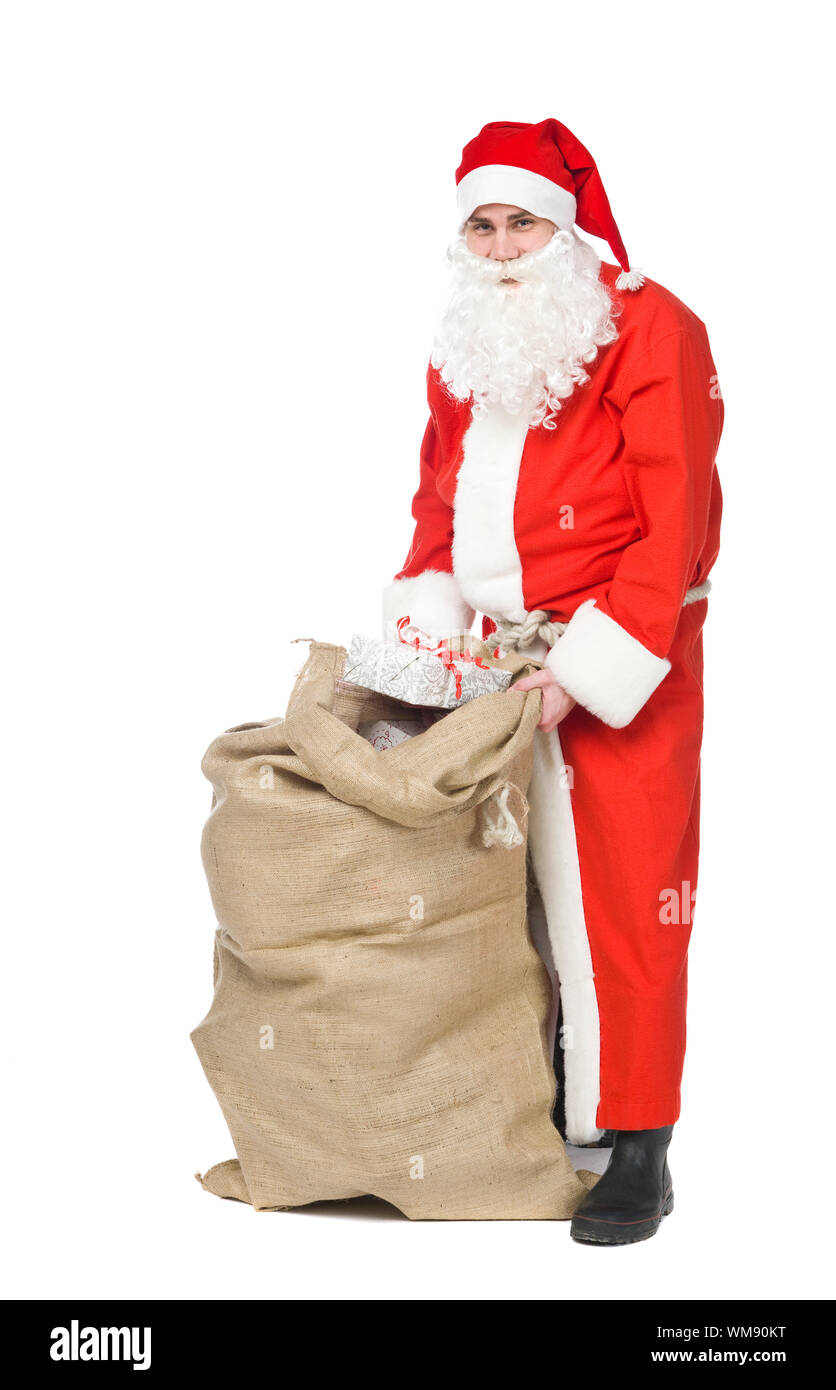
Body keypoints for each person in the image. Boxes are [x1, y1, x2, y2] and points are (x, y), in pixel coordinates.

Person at [381, 118, 724, 1245]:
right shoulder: (464, 347)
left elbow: (674, 516)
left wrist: (585, 668)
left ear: (563, 226)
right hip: (492, 656)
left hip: (618, 650)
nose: (498, 242)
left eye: (519, 219)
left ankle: (637, 1147)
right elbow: (437, 499)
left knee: (626, 896)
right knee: (509, 896)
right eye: (480, 222)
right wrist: (422, 633)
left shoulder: (648, 325)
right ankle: (544, 1112)